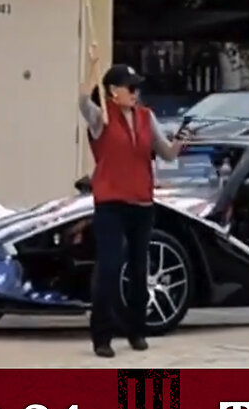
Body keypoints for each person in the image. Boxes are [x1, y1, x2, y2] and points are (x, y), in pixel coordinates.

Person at [80, 46, 188, 358]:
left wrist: (180, 142)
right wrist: (91, 66)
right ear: (113, 92)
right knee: (111, 266)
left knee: (140, 269)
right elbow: (81, 102)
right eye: (130, 88)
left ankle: (136, 329)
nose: (135, 93)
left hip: (141, 202)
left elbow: (166, 153)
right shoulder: (102, 116)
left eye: (137, 87)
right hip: (111, 202)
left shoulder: (146, 117)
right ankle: (102, 335)